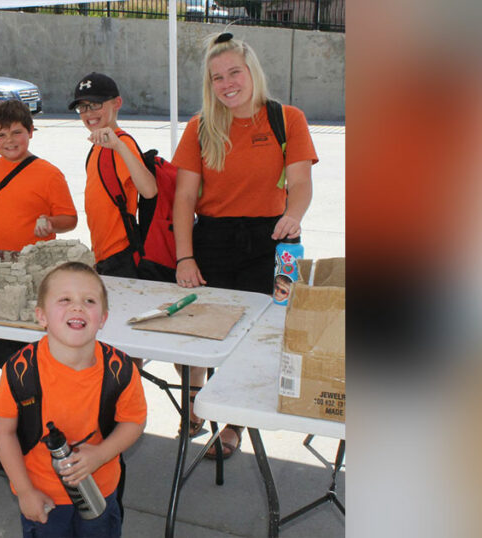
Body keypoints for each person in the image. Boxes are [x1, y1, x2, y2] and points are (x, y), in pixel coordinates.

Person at [171, 32, 318, 458]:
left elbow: (302, 185)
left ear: (252, 71)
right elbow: (184, 198)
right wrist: (185, 256)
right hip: (213, 239)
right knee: (200, 329)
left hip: (270, 239)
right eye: (217, 77)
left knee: (254, 338)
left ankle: (234, 425)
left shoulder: (286, 119)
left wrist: (295, 215)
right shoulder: (201, 126)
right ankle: (196, 400)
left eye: (234, 71)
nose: (227, 82)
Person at [0, 262, 147, 537]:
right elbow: (4, 433)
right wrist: (25, 491)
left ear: (103, 318)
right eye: (65, 300)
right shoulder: (20, 371)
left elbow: (133, 422)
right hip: (44, 496)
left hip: (100, 491)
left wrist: (101, 454)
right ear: (41, 316)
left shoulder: (120, 370)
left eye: (89, 301)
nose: (78, 307)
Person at [0, 99, 78, 368]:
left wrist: (51, 223)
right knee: (5, 352)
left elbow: (70, 219)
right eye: (1, 134)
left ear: (30, 131)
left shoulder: (49, 174)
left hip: (32, 275)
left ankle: (37, 401)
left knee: (35, 344)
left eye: (17, 132)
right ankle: (11, 398)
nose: (9, 140)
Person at [67, 72, 158, 279]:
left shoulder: (122, 143)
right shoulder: (96, 147)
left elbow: (149, 189)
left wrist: (118, 146)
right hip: (103, 256)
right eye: (82, 107)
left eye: (96, 104)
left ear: (117, 103)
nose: (88, 113)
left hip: (122, 255)